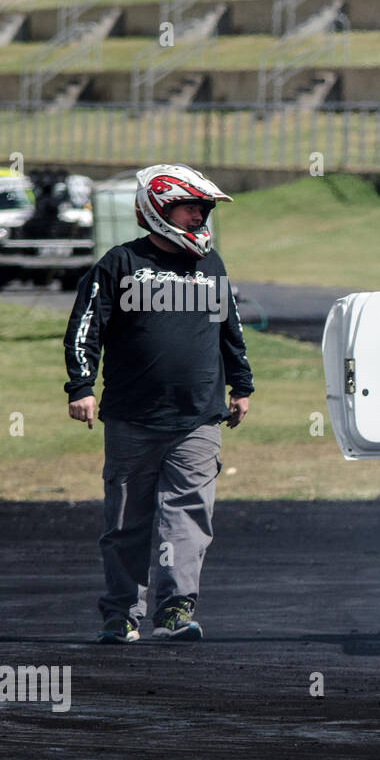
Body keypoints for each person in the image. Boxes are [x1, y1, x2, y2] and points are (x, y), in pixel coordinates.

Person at [63, 163, 254, 644]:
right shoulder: (119, 264)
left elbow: (231, 330)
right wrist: (81, 386)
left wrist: (242, 386)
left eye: (202, 210)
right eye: (192, 208)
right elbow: (85, 327)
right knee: (127, 521)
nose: (199, 218)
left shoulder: (211, 265)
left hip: (199, 420)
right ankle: (121, 613)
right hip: (131, 419)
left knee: (189, 517)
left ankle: (176, 610)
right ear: (161, 209)